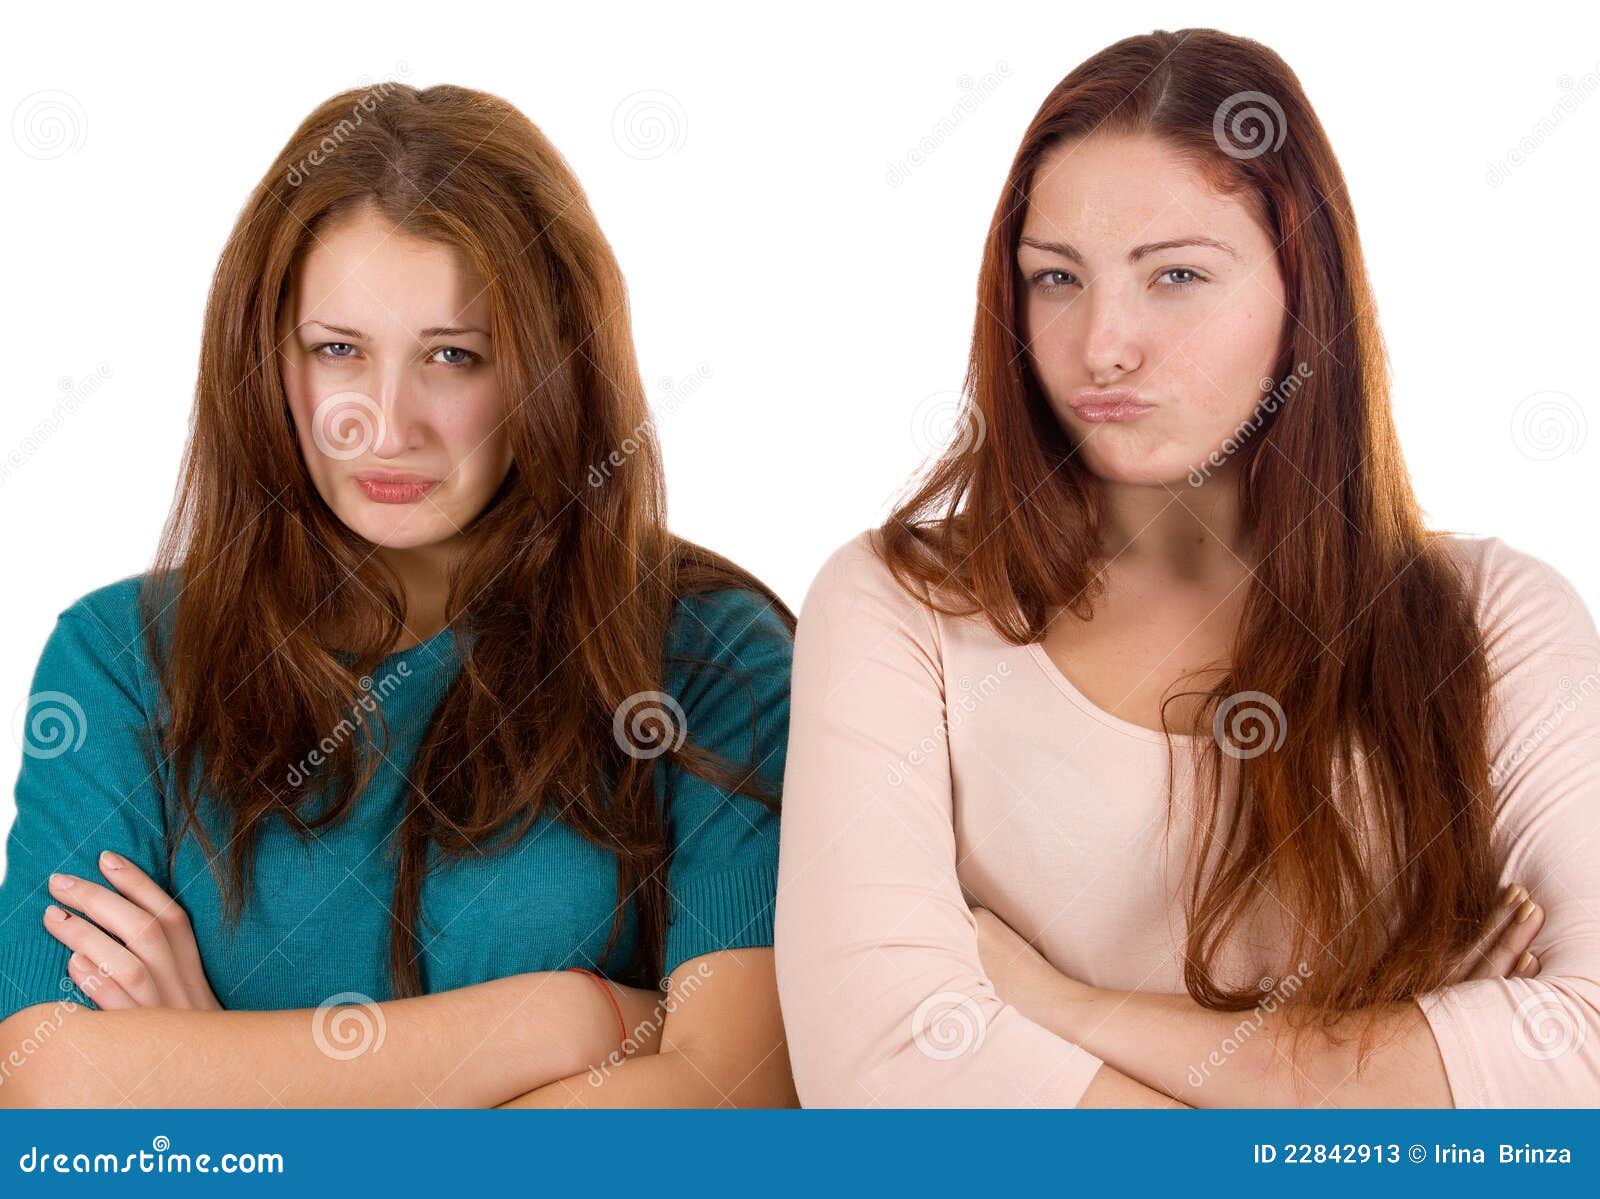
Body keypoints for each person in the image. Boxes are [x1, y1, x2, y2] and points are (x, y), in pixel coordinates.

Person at [774, 28, 1598, 1108]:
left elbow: (1584, 1050)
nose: (1103, 345)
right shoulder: (898, 605)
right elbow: (881, 1072)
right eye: (1056, 278)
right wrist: (1402, 1079)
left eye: (1175, 275)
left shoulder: (1496, 617)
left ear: (1303, 294)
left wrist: (1058, 1007)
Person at [0, 82, 796, 1108]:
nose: (386, 424)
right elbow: (46, 1090)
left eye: (453, 357)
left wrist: (215, 1085)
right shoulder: (121, 657)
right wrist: (559, 1017)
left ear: (550, 369)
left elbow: (730, 1102)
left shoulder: (708, 652)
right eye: (338, 350)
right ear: (267, 359)